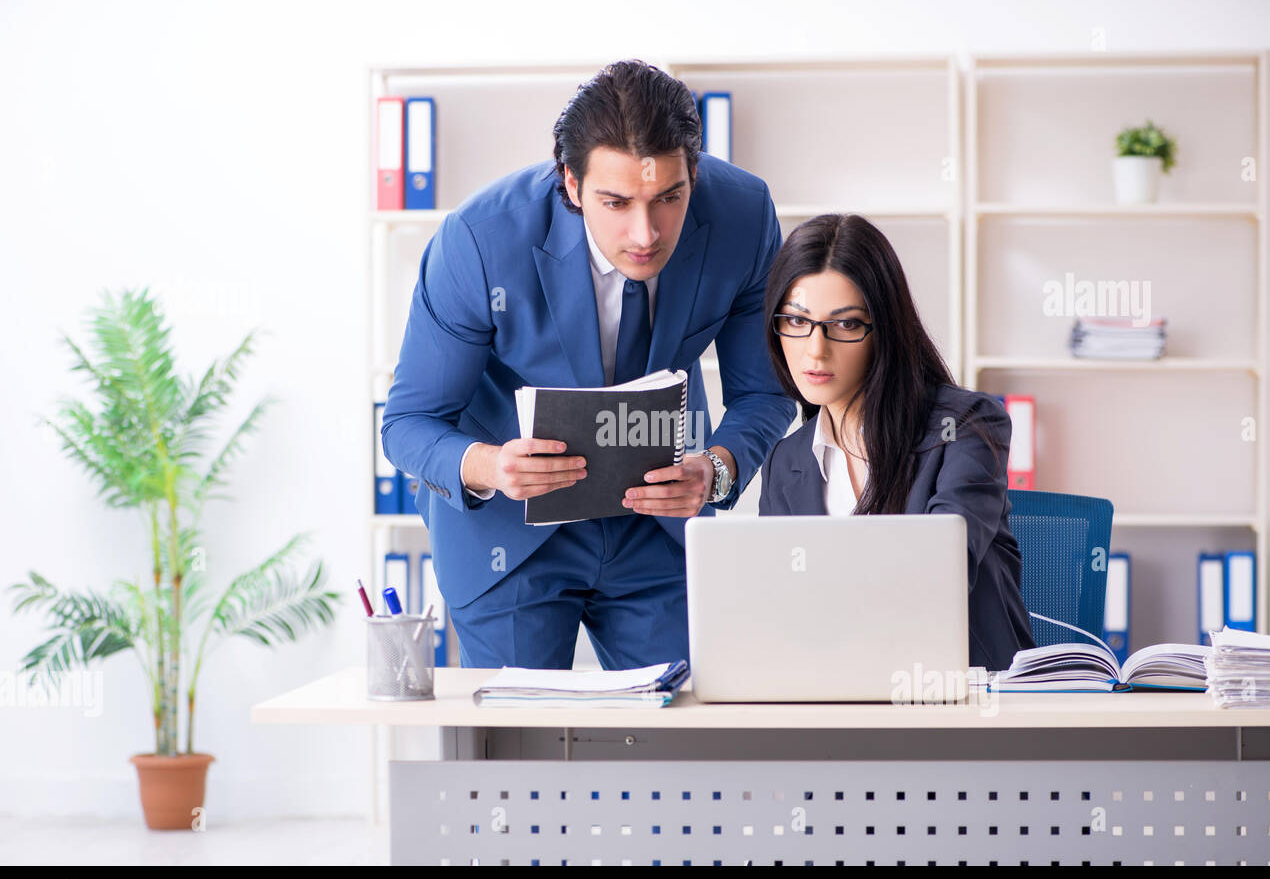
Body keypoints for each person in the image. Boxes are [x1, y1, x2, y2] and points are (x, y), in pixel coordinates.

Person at [382, 60, 795, 670]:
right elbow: (409, 423)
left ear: (694, 175)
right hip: (511, 530)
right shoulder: (479, 239)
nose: (646, 233)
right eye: (616, 201)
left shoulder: (744, 216)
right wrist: (491, 466)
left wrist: (717, 469)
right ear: (570, 186)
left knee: (681, 745)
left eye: (669, 198)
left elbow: (763, 393)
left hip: (660, 526)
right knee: (516, 751)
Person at [757, 214, 1033, 671]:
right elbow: (780, 608)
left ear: (884, 331)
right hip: (836, 697)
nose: (815, 350)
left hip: (963, 703)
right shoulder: (785, 462)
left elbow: (940, 573)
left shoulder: (966, 427)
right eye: (796, 321)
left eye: (844, 326)